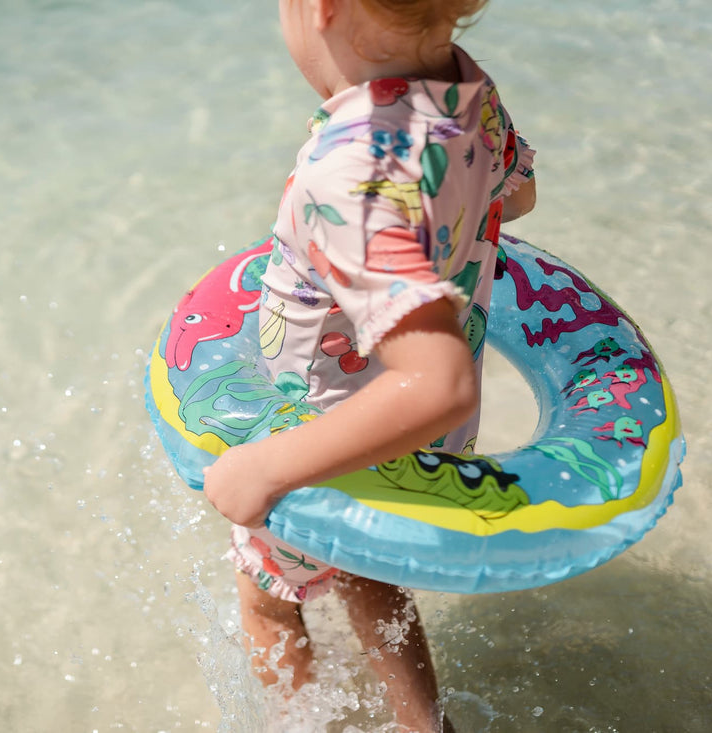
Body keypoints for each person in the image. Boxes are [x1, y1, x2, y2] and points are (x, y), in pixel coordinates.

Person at [201, 1, 536, 730]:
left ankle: (300, 723)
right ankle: (425, 725)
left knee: (267, 595)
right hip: (407, 436)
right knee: (365, 565)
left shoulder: (349, 176)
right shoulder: (466, 92)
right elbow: (522, 194)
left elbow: (436, 381)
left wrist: (267, 467)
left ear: (319, 8)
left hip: (332, 433)